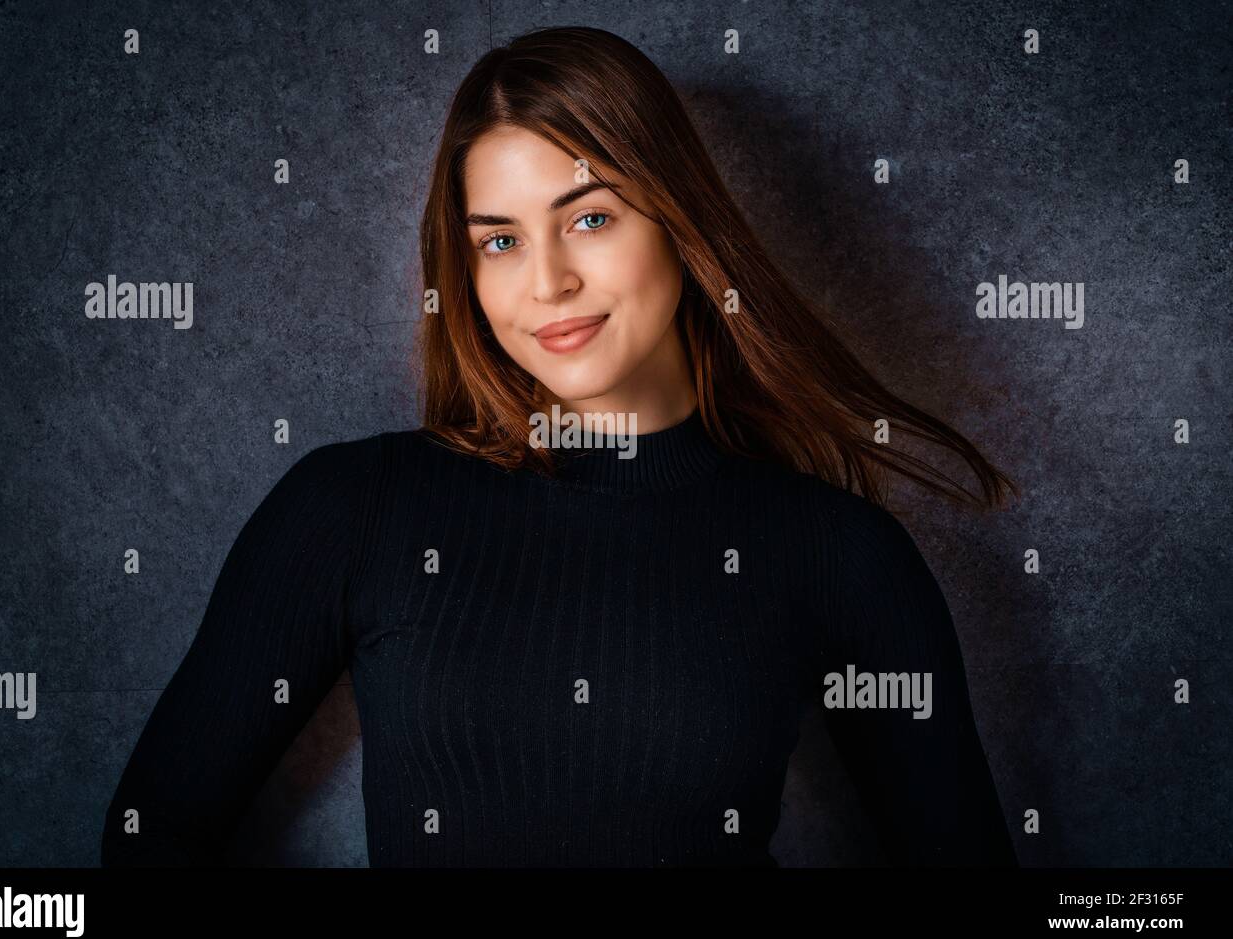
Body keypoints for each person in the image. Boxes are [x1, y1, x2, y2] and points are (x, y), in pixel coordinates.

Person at [101, 26, 1019, 868]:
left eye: (590, 217)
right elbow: (147, 840)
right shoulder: (353, 507)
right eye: (499, 241)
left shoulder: (839, 553)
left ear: (681, 222)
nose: (548, 281)